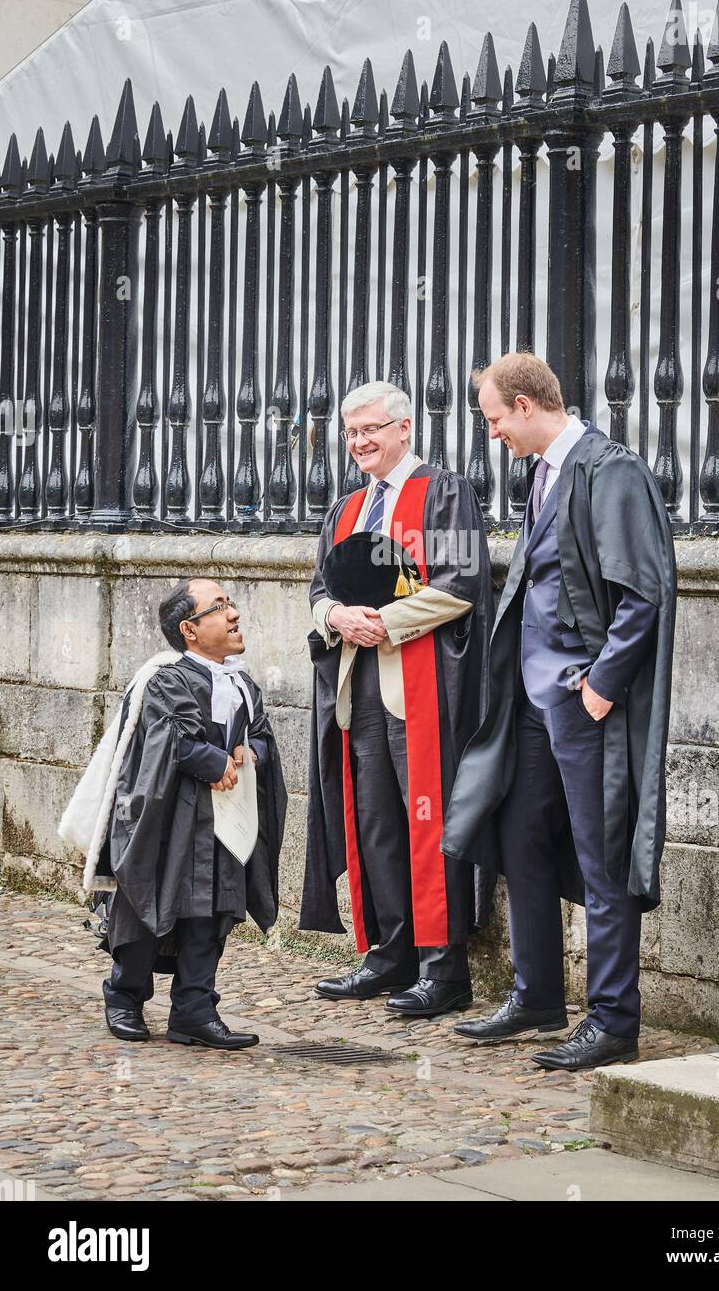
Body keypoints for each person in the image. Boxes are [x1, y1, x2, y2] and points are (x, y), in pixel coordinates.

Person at [443, 352, 676, 1070]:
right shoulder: (546, 472)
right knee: (519, 836)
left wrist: (601, 686)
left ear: (522, 404)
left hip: (581, 699)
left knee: (602, 854)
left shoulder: (611, 471)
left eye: (491, 420)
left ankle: (612, 1021)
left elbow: (643, 591)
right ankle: (537, 994)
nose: (491, 436)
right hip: (531, 697)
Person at [300, 382, 494, 1019]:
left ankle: (444, 968)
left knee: (426, 819)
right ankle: (389, 953)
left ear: (404, 429)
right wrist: (336, 615)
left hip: (419, 686)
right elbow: (318, 590)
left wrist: (389, 621)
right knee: (376, 820)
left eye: (371, 430)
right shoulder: (346, 509)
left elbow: (463, 583)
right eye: (352, 433)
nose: (359, 443)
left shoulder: (444, 493)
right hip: (357, 686)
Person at [62, 578, 287, 1050]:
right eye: (219, 607)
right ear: (189, 628)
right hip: (170, 820)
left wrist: (251, 752)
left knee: (214, 912)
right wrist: (215, 762)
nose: (234, 614)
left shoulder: (244, 684)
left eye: (231, 604)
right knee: (149, 908)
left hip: (224, 820)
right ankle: (125, 997)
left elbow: (261, 733)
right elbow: (171, 738)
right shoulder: (167, 677)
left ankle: (194, 1011)